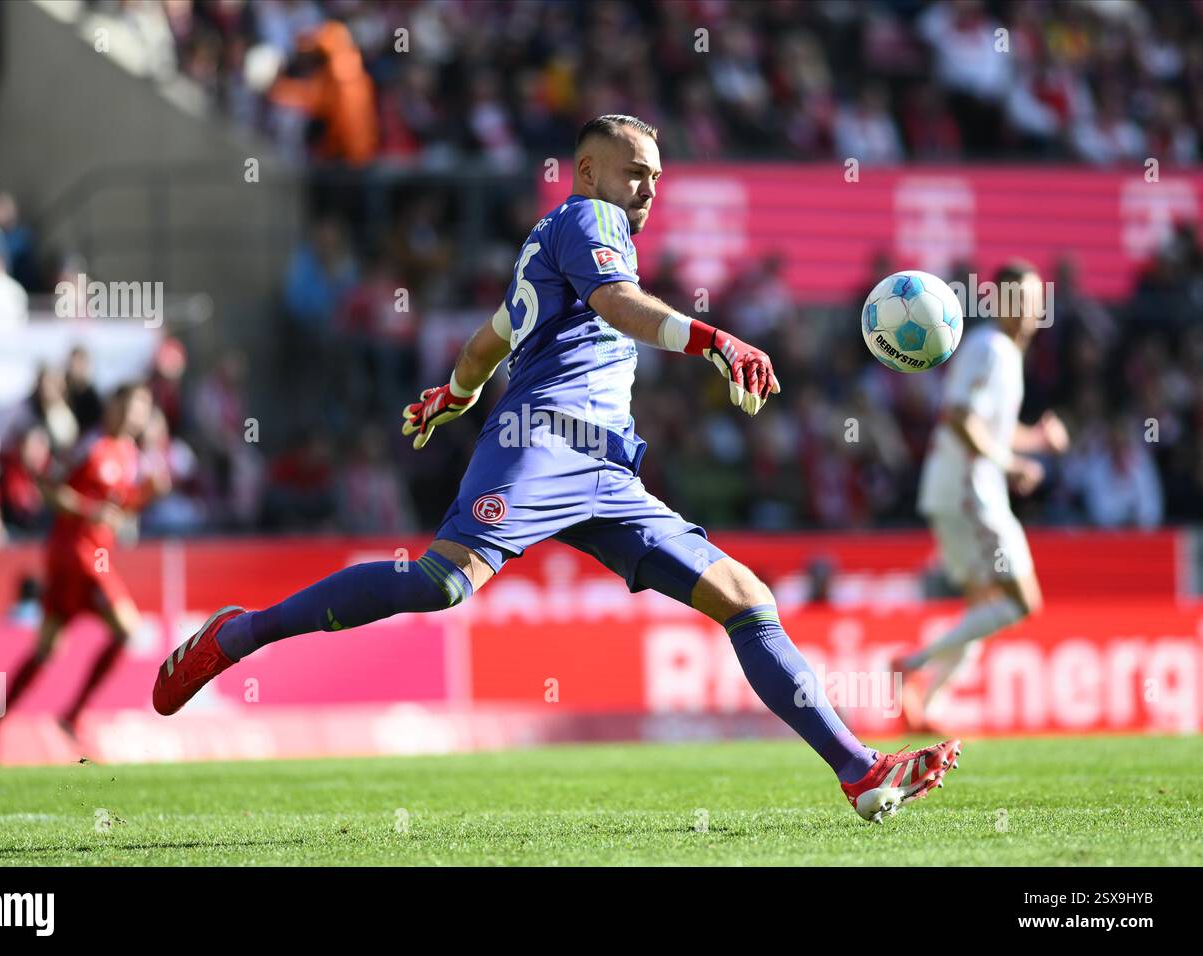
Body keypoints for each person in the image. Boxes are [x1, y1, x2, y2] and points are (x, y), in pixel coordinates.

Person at [153, 115, 960, 823]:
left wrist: (452, 393)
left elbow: (491, 338)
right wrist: (715, 340)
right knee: (441, 583)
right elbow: (616, 304)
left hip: (608, 468)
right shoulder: (588, 220)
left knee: (747, 598)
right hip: (542, 442)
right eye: (633, 170)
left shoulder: (558, 242)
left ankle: (858, 771)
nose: (646, 188)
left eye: (655, 176)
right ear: (588, 172)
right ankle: (240, 631)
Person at [900, 261, 1070, 733]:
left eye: (1033, 303)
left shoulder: (1004, 355)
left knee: (984, 608)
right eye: (1017, 301)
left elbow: (990, 426)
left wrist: (1035, 439)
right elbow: (958, 417)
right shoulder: (989, 347)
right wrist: (1010, 464)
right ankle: (911, 666)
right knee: (1022, 601)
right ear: (997, 303)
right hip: (969, 492)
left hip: (960, 489)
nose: (1027, 312)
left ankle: (925, 705)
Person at [0, 384, 170, 761]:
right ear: (113, 405)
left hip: (93, 553)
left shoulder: (128, 454)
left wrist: (147, 494)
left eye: (143, 410)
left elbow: (117, 510)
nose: (136, 416)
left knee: (47, 648)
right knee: (127, 628)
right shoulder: (90, 445)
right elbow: (49, 488)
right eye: (131, 406)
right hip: (75, 554)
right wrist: (87, 509)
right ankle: (72, 715)